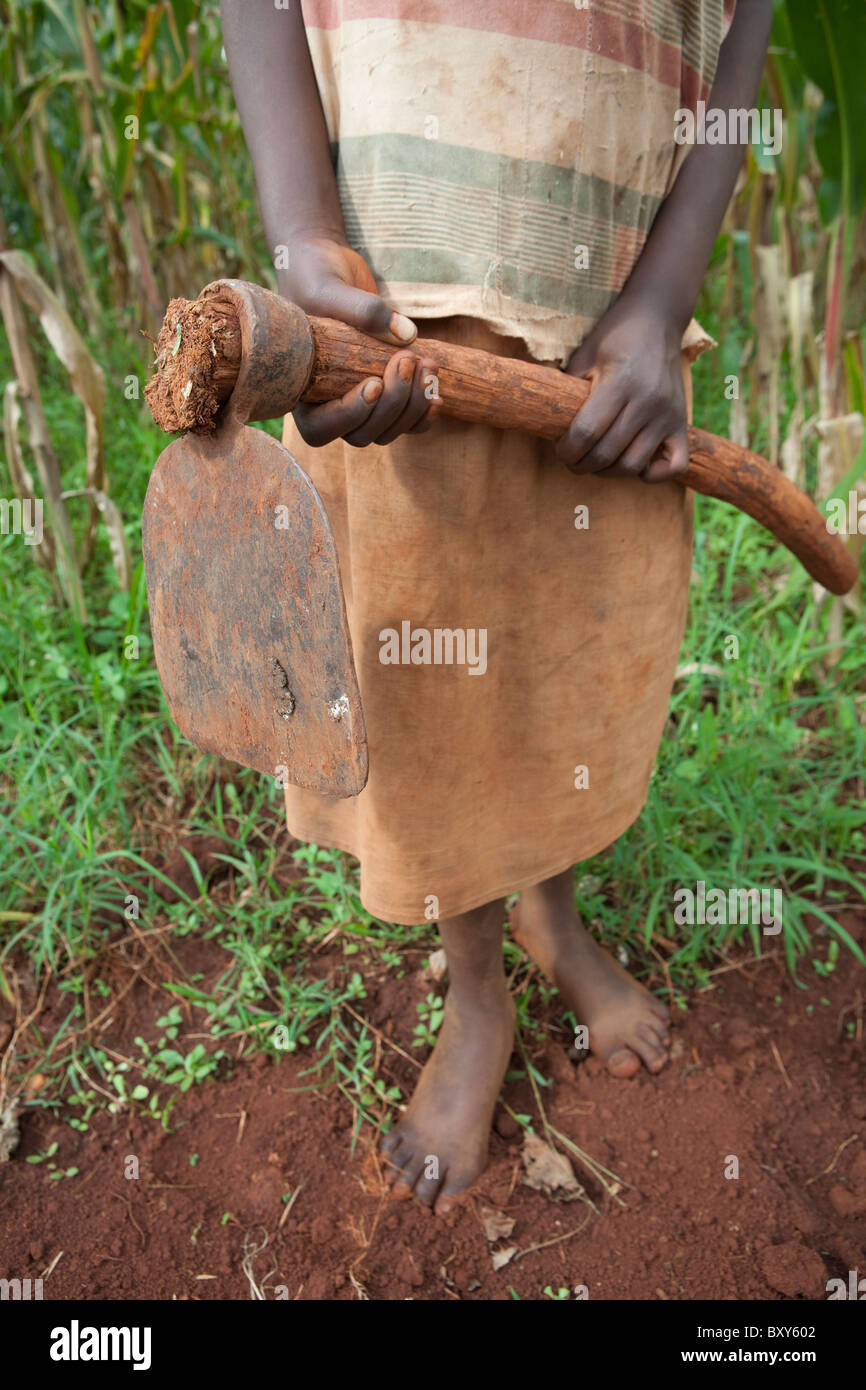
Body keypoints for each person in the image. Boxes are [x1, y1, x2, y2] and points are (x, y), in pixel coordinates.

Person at [221, 0, 773, 1214]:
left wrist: (661, 300)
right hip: (398, 300)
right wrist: (305, 236)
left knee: (563, 651)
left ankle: (551, 916)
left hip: (603, 320)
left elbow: (741, 34)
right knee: (434, 686)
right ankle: (477, 987)